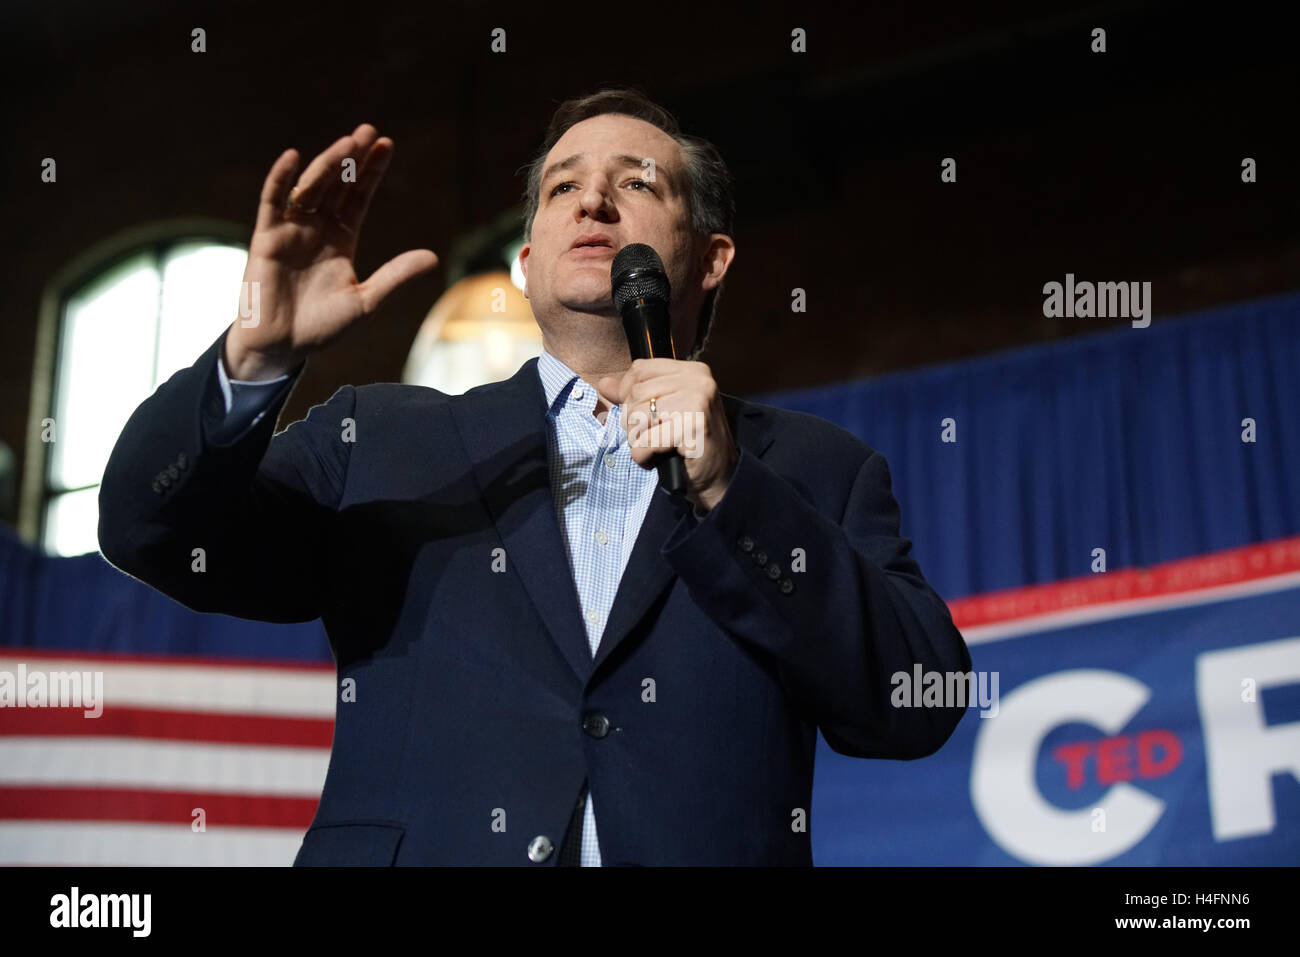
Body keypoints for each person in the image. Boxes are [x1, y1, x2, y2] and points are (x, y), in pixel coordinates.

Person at [98, 88, 971, 866]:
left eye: (637, 182)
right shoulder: (380, 438)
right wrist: (252, 356)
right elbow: (152, 531)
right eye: (563, 186)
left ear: (710, 259)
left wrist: (726, 487)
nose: (592, 199)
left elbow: (916, 699)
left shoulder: (813, 469)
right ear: (524, 264)